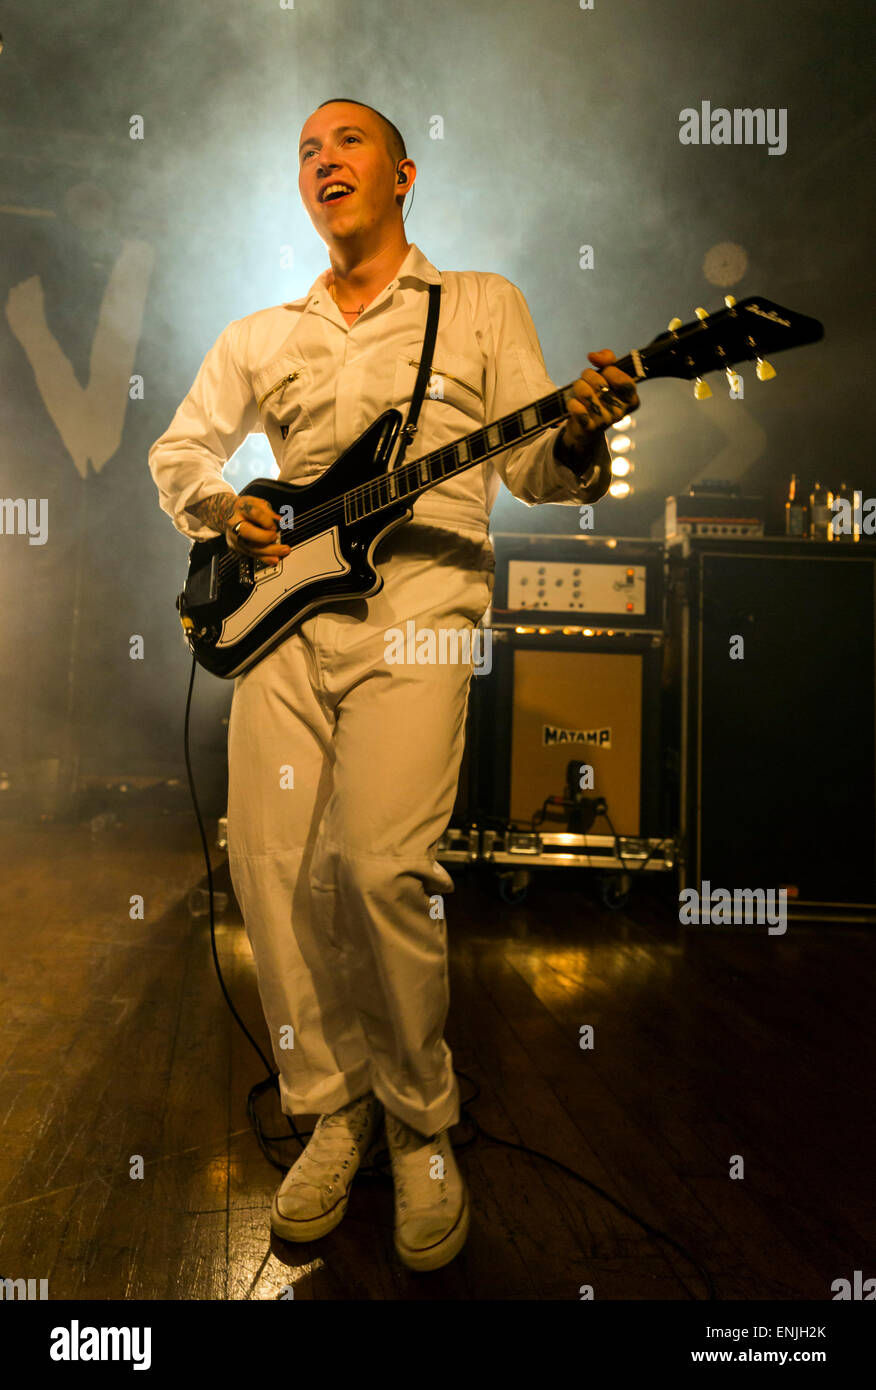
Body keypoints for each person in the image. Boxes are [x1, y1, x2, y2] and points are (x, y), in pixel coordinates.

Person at [148, 97, 640, 1274]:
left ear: (405, 171)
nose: (324, 160)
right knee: (271, 870)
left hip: (421, 615)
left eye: (348, 141)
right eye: (306, 150)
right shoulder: (263, 332)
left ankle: (423, 1120)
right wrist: (233, 506)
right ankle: (333, 1107)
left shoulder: (478, 303)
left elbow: (532, 466)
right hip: (282, 626)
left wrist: (580, 435)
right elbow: (181, 452)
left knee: (380, 866)